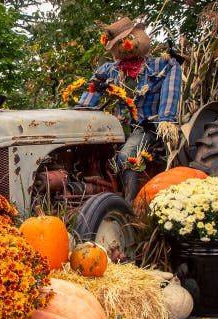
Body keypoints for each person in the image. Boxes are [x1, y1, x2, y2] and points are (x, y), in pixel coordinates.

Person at [76, 17, 182, 203]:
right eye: (118, 43)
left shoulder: (163, 65)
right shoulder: (108, 70)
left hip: (147, 126)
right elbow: (88, 99)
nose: (125, 46)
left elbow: (170, 93)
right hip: (119, 126)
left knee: (126, 156)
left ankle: (130, 206)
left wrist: (166, 119)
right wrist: (78, 116)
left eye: (128, 39)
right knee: (89, 153)